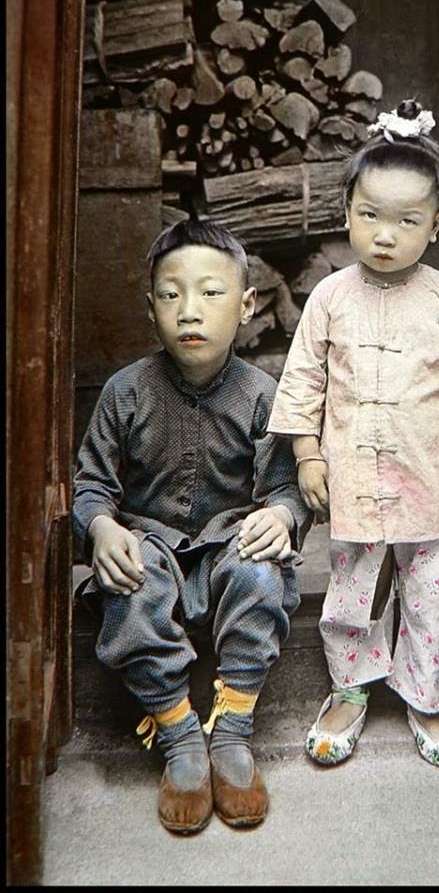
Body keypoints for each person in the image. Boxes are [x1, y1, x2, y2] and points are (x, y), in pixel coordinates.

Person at [268, 100, 439, 769]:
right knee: (351, 592)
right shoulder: (329, 296)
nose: (383, 235)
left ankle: (427, 695)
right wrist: (307, 453)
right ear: (345, 211)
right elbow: (304, 378)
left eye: (406, 221)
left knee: (431, 595)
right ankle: (349, 688)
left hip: (430, 479)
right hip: (352, 476)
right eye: (369, 215)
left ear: (435, 226)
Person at [72, 218, 311, 834]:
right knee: (131, 584)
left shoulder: (263, 395)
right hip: (149, 545)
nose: (190, 311)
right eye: (171, 294)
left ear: (248, 304)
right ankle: (178, 733)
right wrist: (100, 527)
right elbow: (92, 483)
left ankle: (231, 729)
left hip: (227, 545)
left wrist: (281, 515)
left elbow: (289, 485)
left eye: (210, 292)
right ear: (150, 307)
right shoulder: (126, 392)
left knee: (262, 572)